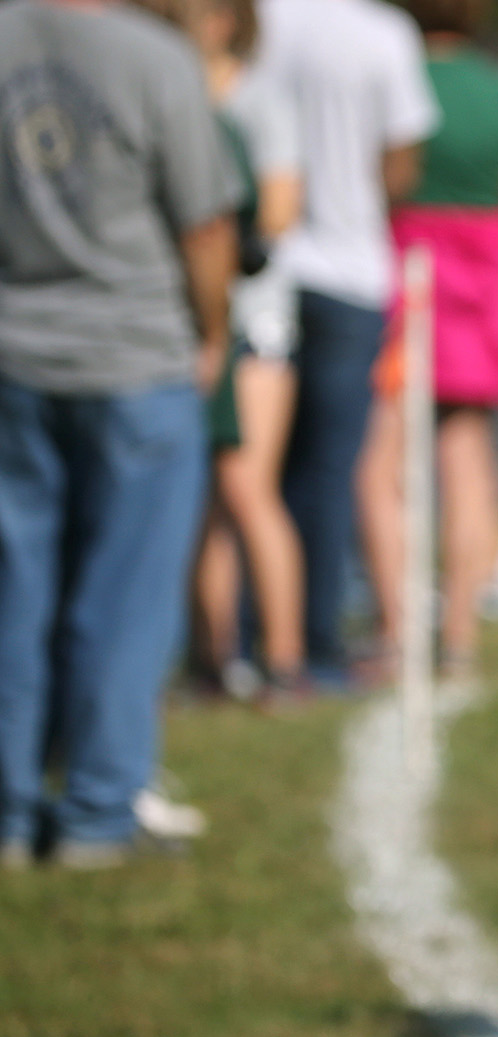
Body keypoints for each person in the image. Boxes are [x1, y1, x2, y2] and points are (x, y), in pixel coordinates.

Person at [0, 0, 238, 867]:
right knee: (126, 596)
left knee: (13, 594)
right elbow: (206, 224)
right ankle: (99, 813)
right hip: (135, 356)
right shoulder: (155, 56)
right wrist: (212, 334)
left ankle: (11, 816)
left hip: (13, 356)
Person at [356, 0, 498, 678]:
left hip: (402, 265)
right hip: (483, 276)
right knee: (467, 452)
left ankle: (394, 630)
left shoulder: (388, 69)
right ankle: (461, 638)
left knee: (382, 455)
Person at [254, 0, 438, 684]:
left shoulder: (261, 19)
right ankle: (316, 644)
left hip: (269, 268)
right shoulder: (383, 34)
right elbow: (401, 161)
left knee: (254, 475)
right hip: (351, 270)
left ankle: (251, 641)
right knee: (329, 472)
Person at [138, 0, 309, 703]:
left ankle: (285, 659)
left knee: (246, 487)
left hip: (256, 322)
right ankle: (214, 659)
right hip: (185, 320)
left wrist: (206, 234)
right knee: (202, 496)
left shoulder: (259, 96)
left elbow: (277, 210)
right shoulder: (159, 85)